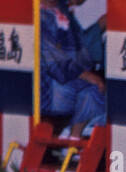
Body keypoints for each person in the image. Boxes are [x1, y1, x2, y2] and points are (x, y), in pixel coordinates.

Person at [39, 0, 106, 137]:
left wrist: (101, 26)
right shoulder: (37, 15)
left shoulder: (62, 10)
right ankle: (71, 135)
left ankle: (73, 141)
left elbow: (81, 49)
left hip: (68, 77)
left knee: (98, 90)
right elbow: (54, 60)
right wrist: (85, 75)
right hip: (48, 85)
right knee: (94, 90)